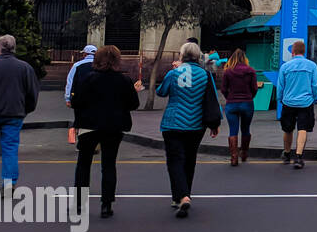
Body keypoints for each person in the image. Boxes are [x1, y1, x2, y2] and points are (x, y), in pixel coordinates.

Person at [70, 45, 143, 218]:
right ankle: (106, 204)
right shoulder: (124, 80)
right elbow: (134, 104)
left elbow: (76, 102)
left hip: (89, 125)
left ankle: (79, 204)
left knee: (83, 164)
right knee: (109, 164)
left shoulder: (88, 78)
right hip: (114, 126)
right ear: (117, 60)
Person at [156, 41, 222, 218]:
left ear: (182, 56)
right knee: (189, 159)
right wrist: (214, 124)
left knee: (174, 160)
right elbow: (212, 99)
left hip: (173, 123)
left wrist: (172, 72)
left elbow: (161, 92)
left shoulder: (174, 73)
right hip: (195, 124)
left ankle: (180, 196)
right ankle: (186, 194)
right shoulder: (204, 75)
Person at [0, 35, 40, 192]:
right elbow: (32, 93)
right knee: (10, 148)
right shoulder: (25, 68)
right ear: (14, 49)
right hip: (14, 114)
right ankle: (9, 184)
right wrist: (25, 110)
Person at [276, 39, 317, 168]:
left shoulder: (285, 67)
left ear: (293, 52)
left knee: (287, 129)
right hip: (305, 102)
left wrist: (280, 99)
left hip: (288, 102)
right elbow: (315, 85)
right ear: (304, 51)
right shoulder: (312, 66)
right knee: (303, 129)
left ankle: (287, 153)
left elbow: (280, 86)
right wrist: (315, 98)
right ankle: (299, 156)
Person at [220, 47, 259, 165]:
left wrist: (229, 97)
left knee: (233, 130)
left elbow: (223, 89)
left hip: (231, 104)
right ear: (245, 58)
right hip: (247, 103)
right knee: (245, 129)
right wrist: (249, 97)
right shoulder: (251, 71)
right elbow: (254, 88)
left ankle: (234, 157)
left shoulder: (228, 71)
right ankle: (244, 153)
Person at [64, 43, 98, 144]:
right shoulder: (100, 66)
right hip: (96, 98)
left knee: (80, 119)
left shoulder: (77, 65)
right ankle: (95, 142)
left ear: (84, 54)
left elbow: (70, 82)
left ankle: (81, 142)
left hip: (79, 98)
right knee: (96, 119)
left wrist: (68, 98)